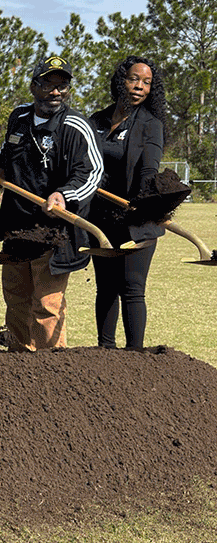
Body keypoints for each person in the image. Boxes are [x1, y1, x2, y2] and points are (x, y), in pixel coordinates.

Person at [0, 55, 103, 351]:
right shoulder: (19, 117)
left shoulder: (76, 126)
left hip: (54, 233)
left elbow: (92, 172)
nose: (55, 92)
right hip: (16, 229)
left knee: (46, 306)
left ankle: (51, 372)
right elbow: (6, 152)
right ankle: (17, 364)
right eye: (48, 84)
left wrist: (65, 194)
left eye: (62, 86)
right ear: (33, 86)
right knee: (15, 301)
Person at [87, 56, 168, 349]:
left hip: (136, 221)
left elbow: (149, 169)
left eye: (146, 82)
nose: (139, 87)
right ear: (120, 80)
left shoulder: (150, 125)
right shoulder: (95, 121)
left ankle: (135, 358)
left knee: (132, 289)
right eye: (134, 79)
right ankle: (105, 353)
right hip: (100, 220)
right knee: (105, 289)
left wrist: (143, 201)